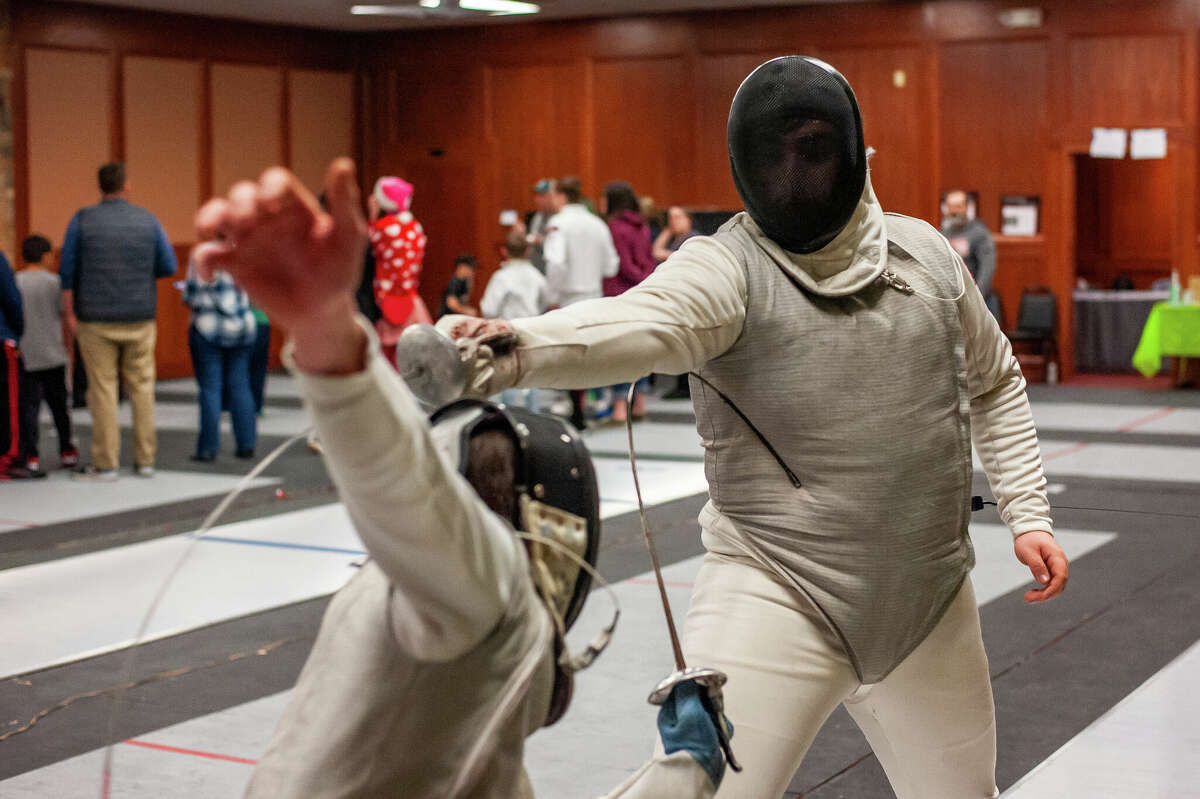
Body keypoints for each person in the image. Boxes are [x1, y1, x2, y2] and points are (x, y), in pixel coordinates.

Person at [433, 57, 1069, 799]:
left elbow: (994, 380)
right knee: (696, 791)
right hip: (777, 591)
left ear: (854, 151)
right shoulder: (728, 269)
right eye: (776, 153)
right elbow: (635, 320)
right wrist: (496, 353)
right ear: (746, 164)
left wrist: (1027, 509)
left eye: (814, 147)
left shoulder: (927, 255)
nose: (795, 172)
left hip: (928, 602)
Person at [194, 158, 733, 799]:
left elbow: (408, 489)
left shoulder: (479, 618)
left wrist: (326, 327)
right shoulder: (489, 597)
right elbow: (403, 489)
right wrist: (687, 770)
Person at [60, 161, 178, 480]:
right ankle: (146, 460)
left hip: (95, 319)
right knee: (142, 388)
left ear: (100, 186)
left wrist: (70, 313)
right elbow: (168, 265)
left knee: (103, 391)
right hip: (140, 317)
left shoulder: (82, 220)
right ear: (127, 185)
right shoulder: (147, 220)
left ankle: (106, 464)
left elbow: (67, 272)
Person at [544, 176, 619, 429]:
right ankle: (591, 406)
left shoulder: (558, 223)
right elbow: (611, 266)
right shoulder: (597, 223)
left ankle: (576, 411)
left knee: (568, 356)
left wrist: (552, 296)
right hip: (594, 297)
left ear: (561, 196)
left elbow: (555, 263)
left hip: (568, 298)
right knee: (590, 355)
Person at [181, 251, 257, 462]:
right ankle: (246, 444)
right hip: (242, 327)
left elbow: (190, 295)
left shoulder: (202, 255)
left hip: (209, 328)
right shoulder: (244, 250)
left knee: (210, 388)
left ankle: (208, 448)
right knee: (241, 385)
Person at [15, 235, 79, 472]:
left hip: (27, 354)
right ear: (46, 255)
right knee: (60, 406)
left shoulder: (15, 281)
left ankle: (31, 454)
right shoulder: (55, 282)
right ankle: (67, 449)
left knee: (28, 408)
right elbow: (65, 314)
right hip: (53, 354)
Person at [603, 181, 656, 423]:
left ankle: (619, 409)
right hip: (644, 291)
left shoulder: (615, 227)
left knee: (618, 351)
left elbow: (622, 265)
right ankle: (640, 406)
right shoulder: (642, 226)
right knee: (641, 348)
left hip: (619, 294)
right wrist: (647, 282)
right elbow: (646, 260)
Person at [481, 229, 551, 411]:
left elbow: (489, 308)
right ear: (528, 251)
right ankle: (533, 416)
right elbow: (546, 300)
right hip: (532, 329)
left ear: (505, 250)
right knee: (532, 374)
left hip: (508, 332)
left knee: (509, 375)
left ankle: (511, 416)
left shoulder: (501, 278)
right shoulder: (536, 275)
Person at [368, 176, 431, 367]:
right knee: (407, 352)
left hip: (387, 298)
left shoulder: (383, 227)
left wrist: (372, 216)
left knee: (388, 355)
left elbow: (366, 247)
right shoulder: (415, 226)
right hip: (410, 298)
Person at [942, 189, 1001, 324]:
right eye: (951, 207)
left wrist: (976, 297)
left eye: (958, 207)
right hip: (953, 300)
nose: (954, 211)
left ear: (967, 207)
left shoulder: (979, 233)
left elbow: (987, 268)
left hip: (978, 300)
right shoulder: (943, 233)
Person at [525, 178, 557, 273]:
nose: (537, 199)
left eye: (542, 196)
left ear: (554, 196)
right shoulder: (538, 217)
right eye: (536, 196)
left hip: (553, 273)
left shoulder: (560, 218)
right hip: (537, 270)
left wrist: (539, 241)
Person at [438, 254, 480, 319]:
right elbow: (451, 303)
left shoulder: (464, 282)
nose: (471, 272)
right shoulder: (455, 282)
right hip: (448, 317)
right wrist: (465, 310)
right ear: (461, 267)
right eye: (469, 269)